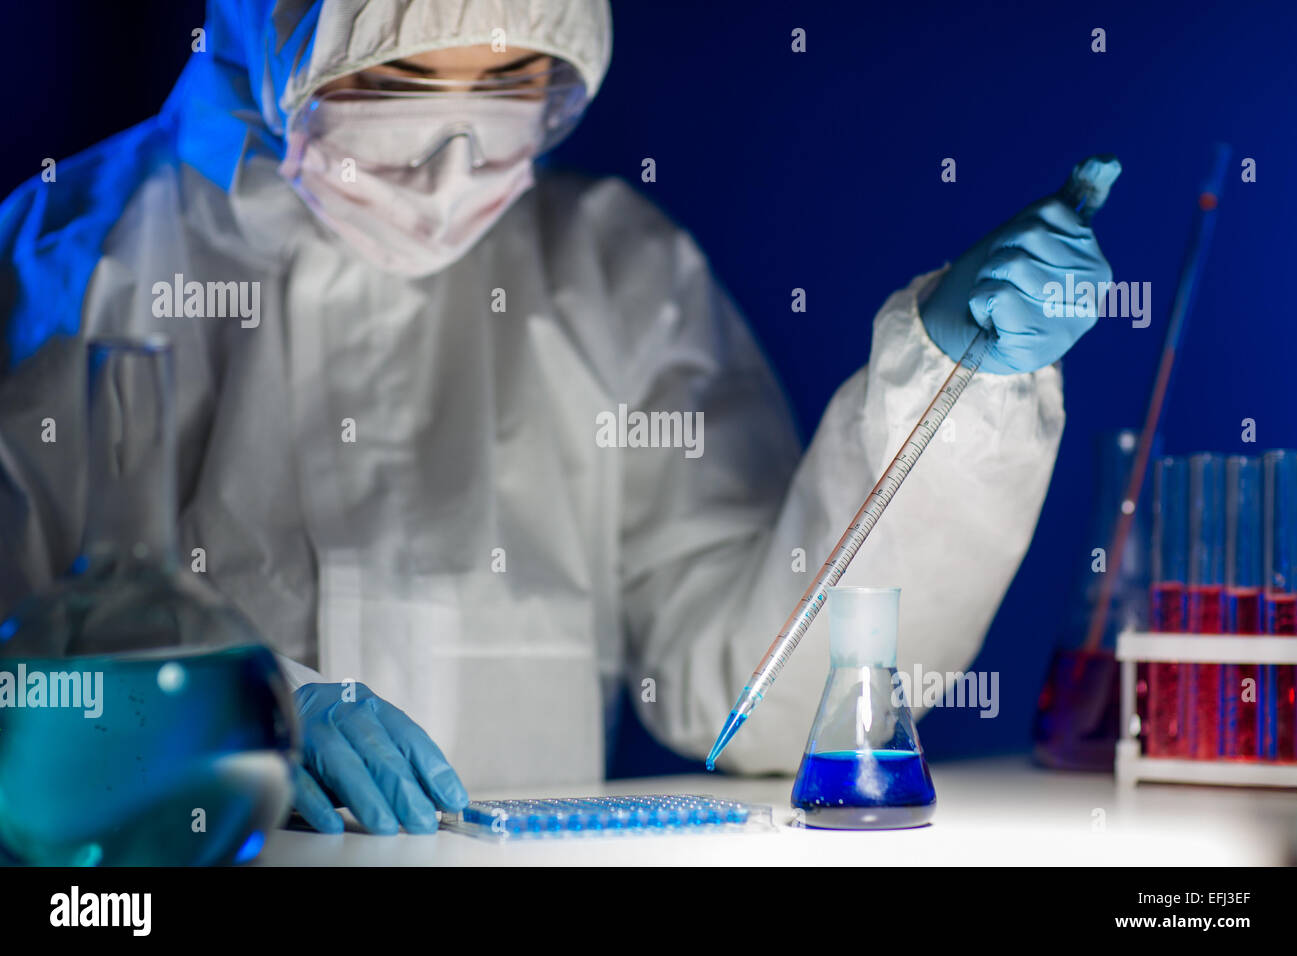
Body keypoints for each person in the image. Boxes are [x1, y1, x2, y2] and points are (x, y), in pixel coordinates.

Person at [0, 0, 1117, 835]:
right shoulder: (59, 263)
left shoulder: (617, 278)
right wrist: (227, 718)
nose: (446, 172)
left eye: (504, 94)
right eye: (394, 91)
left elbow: (758, 697)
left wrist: (949, 385)